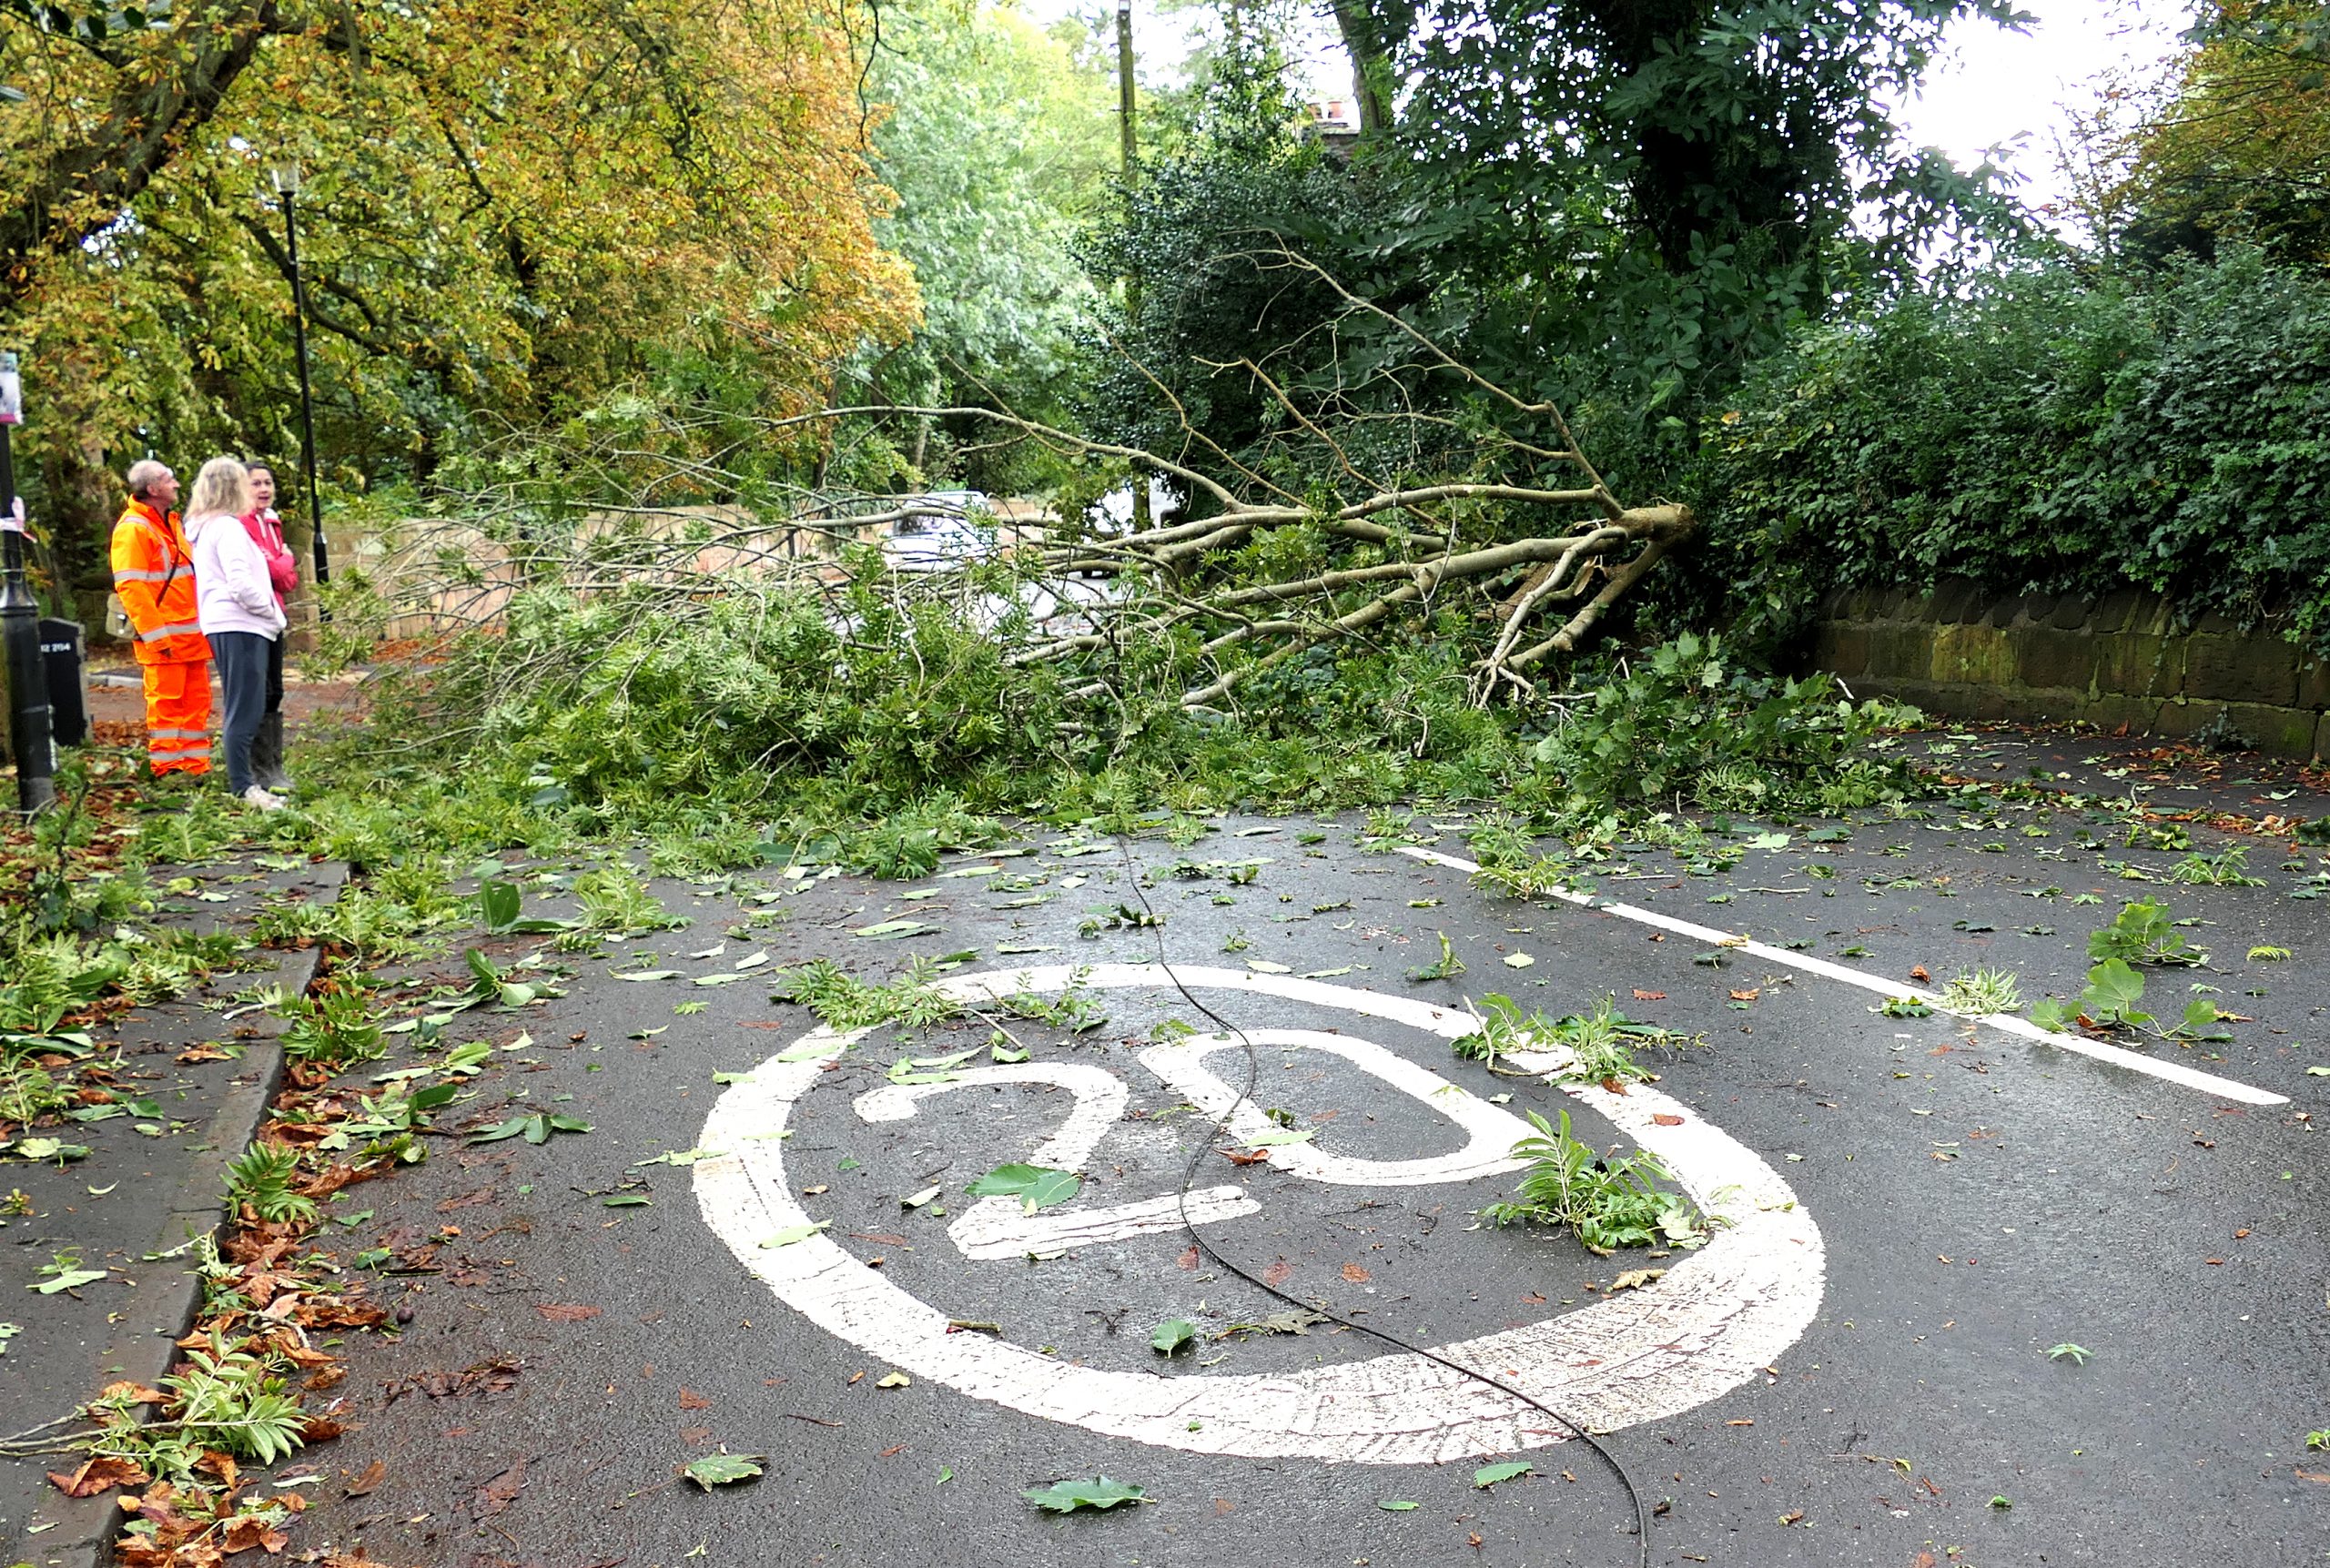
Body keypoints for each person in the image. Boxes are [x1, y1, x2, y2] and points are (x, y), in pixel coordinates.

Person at [182, 457, 288, 811]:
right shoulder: (226, 528)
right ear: (233, 486)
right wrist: (273, 614)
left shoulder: (208, 527)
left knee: (245, 705)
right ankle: (244, 788)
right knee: (245, 709)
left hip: (232, 624)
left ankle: (247, 784)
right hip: (240, 625)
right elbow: (241, 584)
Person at [108, 460, 212, 778]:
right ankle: (167, 769)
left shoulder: (171, 523)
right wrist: (156, 638)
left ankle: (195, 768)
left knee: (196, 705)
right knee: (167, 708)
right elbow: (131, 587)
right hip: (165, 640)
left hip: (190, 638)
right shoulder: (134, 529)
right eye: (170, 479)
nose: (177, 484)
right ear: (153, 489)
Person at [239, 462, 299, 792]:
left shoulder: (272, 522)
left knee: (276, 691)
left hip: (275, 614)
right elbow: (273, 570)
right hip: (251, 619)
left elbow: (287, 580)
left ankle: (275, 767)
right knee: (259, 693)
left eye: (268, 482)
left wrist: (282, 565)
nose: (264, 489)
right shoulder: (240, 524)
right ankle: (258, 770)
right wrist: (284, 561)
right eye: (255, 484)